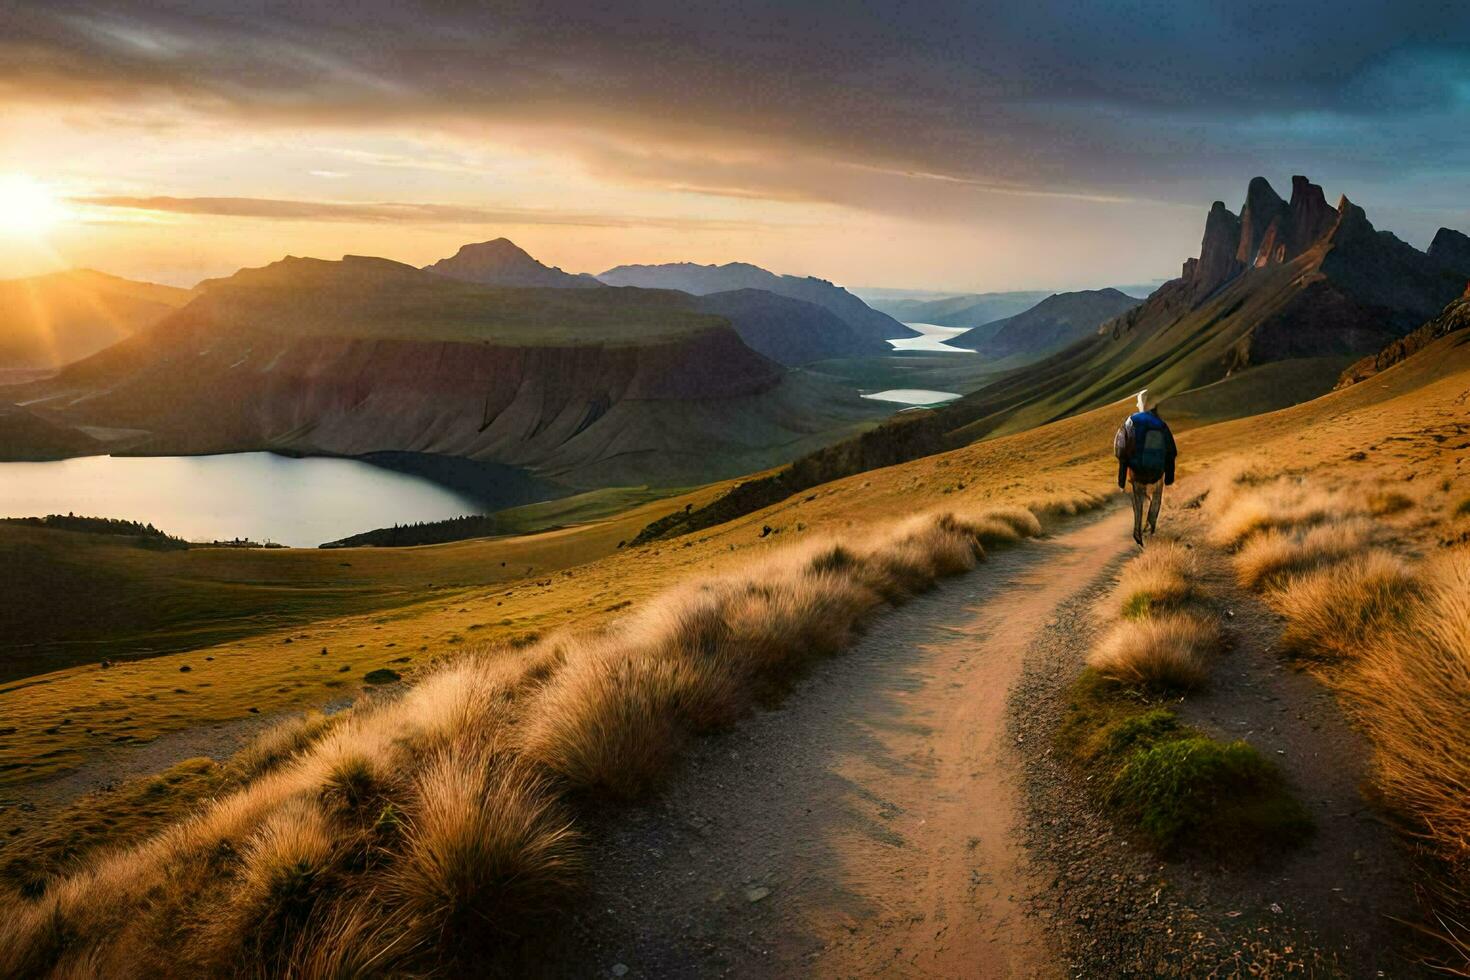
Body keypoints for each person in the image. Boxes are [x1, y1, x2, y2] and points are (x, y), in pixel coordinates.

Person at [1113, 388, 1177, 547]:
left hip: (1136, 472)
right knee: (1156, 497)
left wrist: (1121, 480)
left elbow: (1121, 450)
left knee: (1138, 500)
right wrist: (1169, 477)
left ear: (1140, 405)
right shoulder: (1161, 424)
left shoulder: (1131, 421)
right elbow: (1171, 451)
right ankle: (1152, 526)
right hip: (1156, 472)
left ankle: (1137, 531)